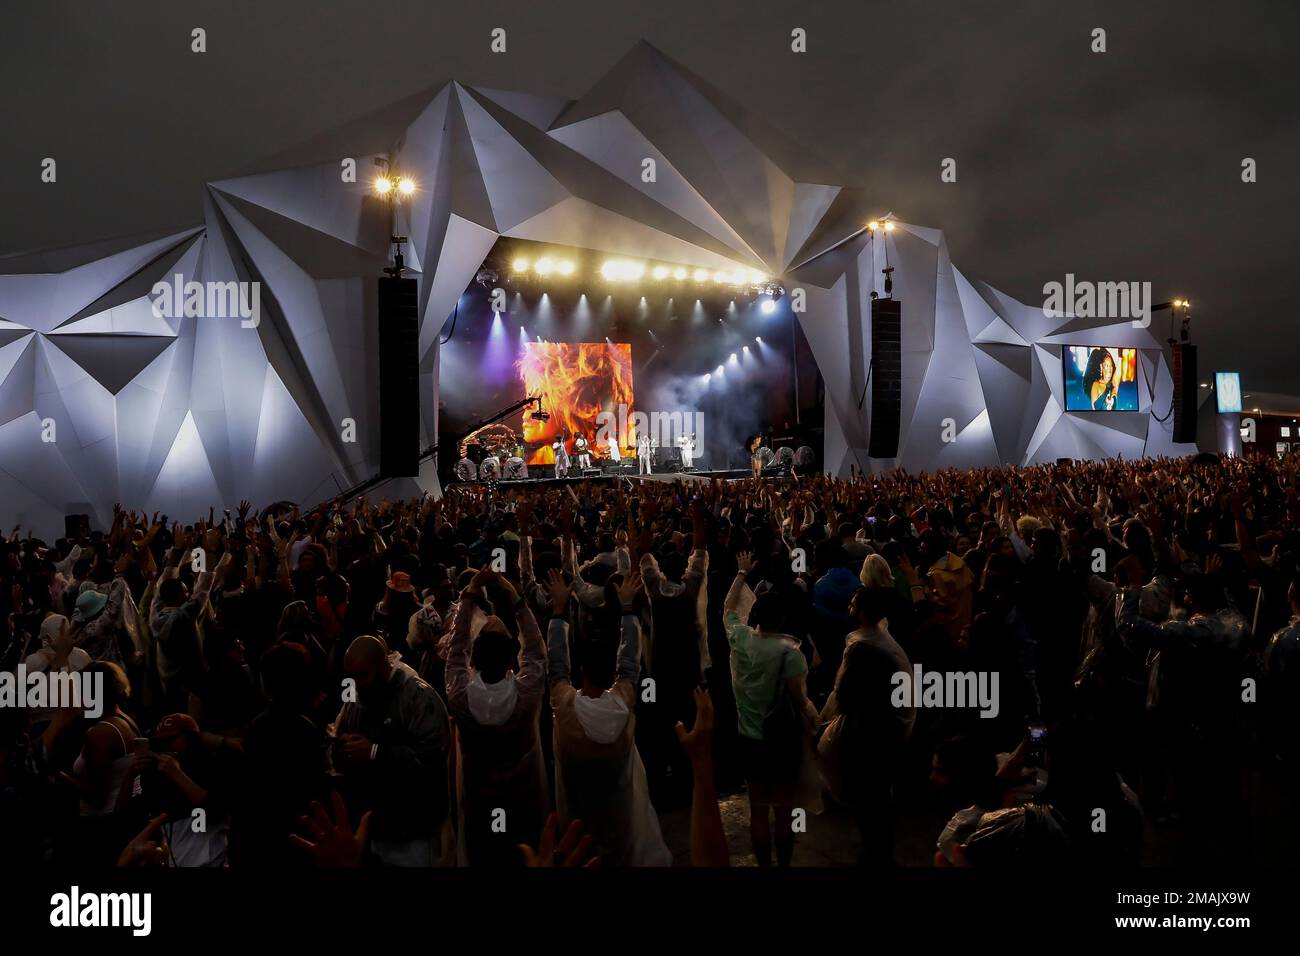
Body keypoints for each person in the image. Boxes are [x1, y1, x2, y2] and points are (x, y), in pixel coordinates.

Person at [543, 568, 671, 865]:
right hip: (621, 820)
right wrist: (628, 608)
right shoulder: (623, 704)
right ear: (610, 671)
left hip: (577, 822)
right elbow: (629, 663)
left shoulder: (564, 708)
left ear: (582, 669)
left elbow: (557, 665)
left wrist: (559, 610)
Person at [444, 568, 549, 866]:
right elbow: (536, 650)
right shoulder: (527, 694)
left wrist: (472, 591)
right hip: (522, 796)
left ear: (473, 660)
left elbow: (456, 647)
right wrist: (514, 596)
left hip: (479, 799)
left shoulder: (459, 696)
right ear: (510, 661)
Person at [724, 551, 816, 867]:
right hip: (782, 740)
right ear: (781, 620)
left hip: (749, 738)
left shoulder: (738, 638)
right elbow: (800, 700)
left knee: (758, 809)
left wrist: (741, 573)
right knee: (786, 809)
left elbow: (728, 608)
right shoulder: (790, 654)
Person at [334, 634, 452, 865]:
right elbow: (338, 735)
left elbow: (430, 764)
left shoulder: (418, 697)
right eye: (352, 677)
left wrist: (375, 752)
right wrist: (343, 748)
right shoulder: (358, 697)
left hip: (412, 830)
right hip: (373, 827)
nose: (356, 683)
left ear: (383, 667)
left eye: (363, 675)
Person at [818, 585, 914, 864]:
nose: (849, 608)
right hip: (887, 732)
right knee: (879, 802)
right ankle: (880, 852)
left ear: (862, 612)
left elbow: (845, 694)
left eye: (852, 605)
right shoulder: (883, 640)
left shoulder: (863, 647)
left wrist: (824, 721)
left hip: (867, 735)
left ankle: (875, 855)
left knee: (869, 804)